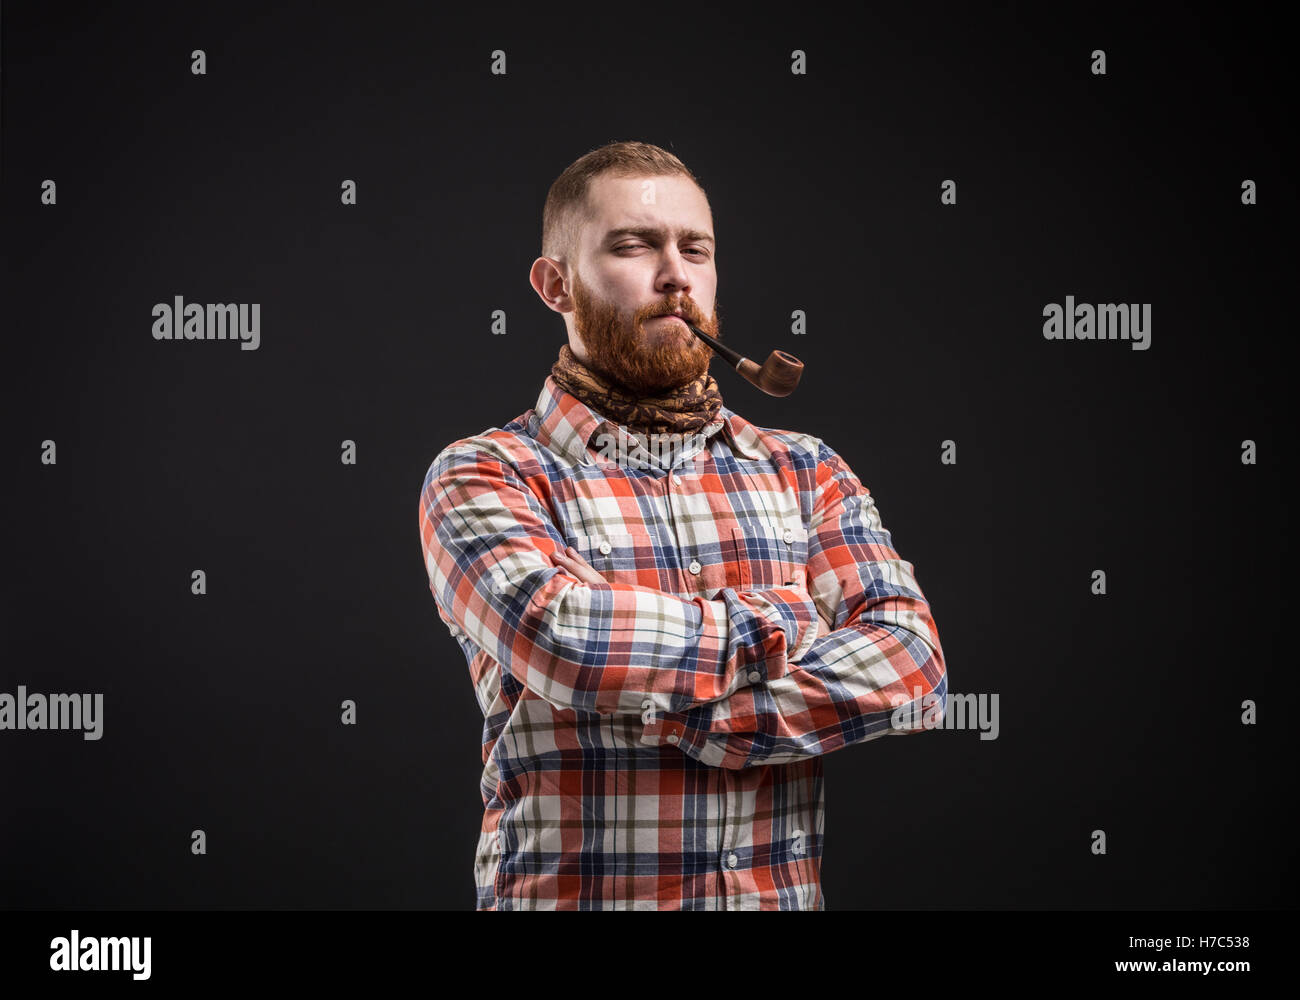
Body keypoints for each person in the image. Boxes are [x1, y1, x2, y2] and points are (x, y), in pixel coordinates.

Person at [417, 141, 947, 910]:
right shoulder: (486, 472)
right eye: (633, 246)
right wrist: (784, 619)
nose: (675, 275)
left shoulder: (807, 469)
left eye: (693, 249)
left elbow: (912, 668)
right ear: (554, 284)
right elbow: (568, 641)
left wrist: (719, 723)